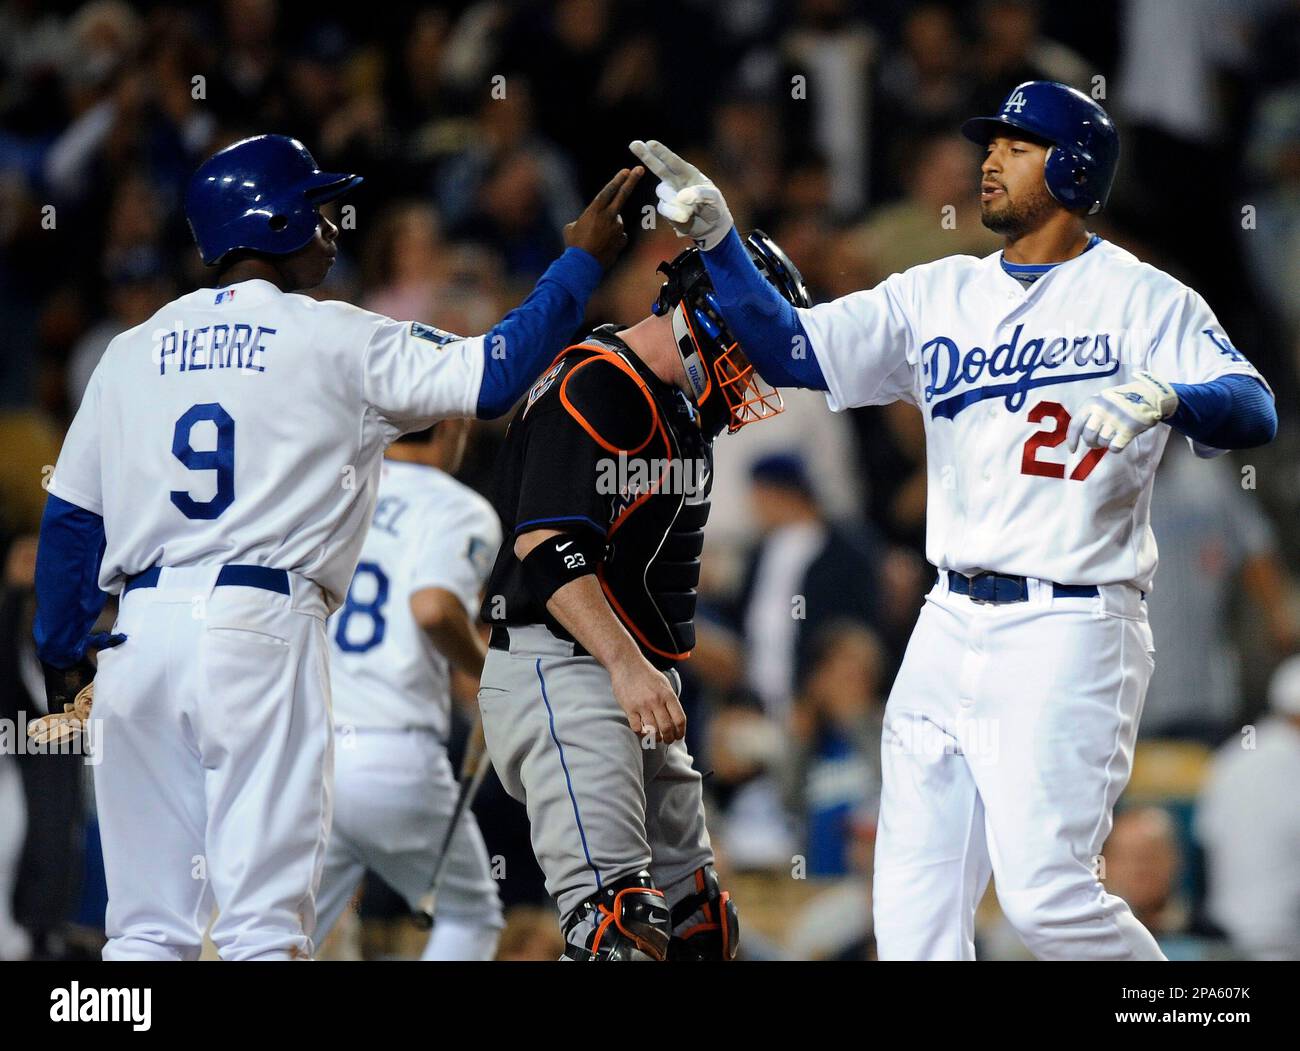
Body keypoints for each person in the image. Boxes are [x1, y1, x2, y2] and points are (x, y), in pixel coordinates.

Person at [630, 78, 1277, 961]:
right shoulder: (935, 293)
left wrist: (1173, 394)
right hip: (946, 619)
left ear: (1075, 165)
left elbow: (1253, 407)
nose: (990, 158)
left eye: (1017, 144)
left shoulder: (1144, 298)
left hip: (1071, 619)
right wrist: (721, 240)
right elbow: (791, 347)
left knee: (1047, 902)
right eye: (992, 142)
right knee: (912, 918)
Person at [30, 133, 640, 961]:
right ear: (273, 221)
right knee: (263, 927)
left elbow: (70, 520)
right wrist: (577, 267)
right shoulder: (332, 336)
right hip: (256, 623)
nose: (331, 224)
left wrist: (68, 655)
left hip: (140, 632)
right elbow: (494, 375)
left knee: (144, 930)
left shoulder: (128, 351)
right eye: (315, 208)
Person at [475, 230, 810, 960]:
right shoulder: (596, 382)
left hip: (628, 678)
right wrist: (628, 666)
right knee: (616, 932)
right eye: (753, 336)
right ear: (708, 313)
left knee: (699, 928)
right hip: (565, 668)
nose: (759, 365)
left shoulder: (678, 406)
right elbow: (548, 546)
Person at [313, 420, 504, 961]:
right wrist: (491, 671)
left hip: (307, 750)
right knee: (471, 916)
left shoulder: (331, 492)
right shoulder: (460, 507)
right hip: (390, 753)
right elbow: (433, 606)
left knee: (284, 938)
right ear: (456, 428)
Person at [1196, 655, 1300, 960]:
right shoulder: (1280, 758)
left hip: (1220, 937)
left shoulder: (1233, 754)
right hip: (1278, 941)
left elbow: (1204, 837)